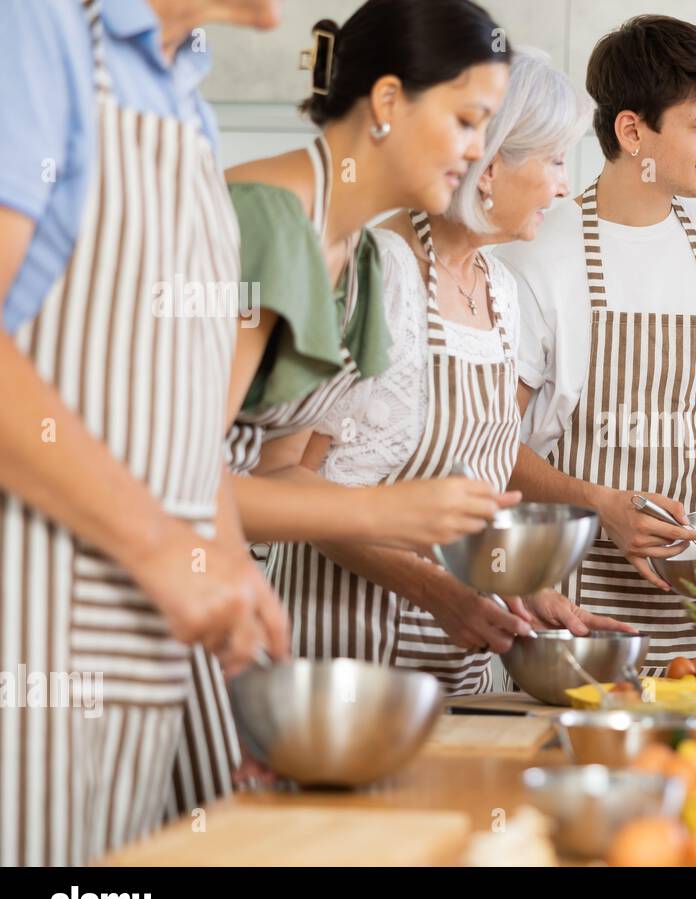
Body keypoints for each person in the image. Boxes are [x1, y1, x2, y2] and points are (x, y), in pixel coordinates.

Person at [172, 0, 516, 814]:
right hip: (119, 582)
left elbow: (282, 475)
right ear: (389, 102)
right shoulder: (266, 222)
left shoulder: (358, 260)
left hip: (207, 598)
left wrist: (438, 540)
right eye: (468, 121)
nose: (477, 153)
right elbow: (178, 478)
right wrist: (388, 509)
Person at [0, 0, 288, 866]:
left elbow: (184, 405)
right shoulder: (34, 26)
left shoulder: (182, 95)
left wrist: (225, 561)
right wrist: (161, 545)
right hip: (28, 618)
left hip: (137, 647)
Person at [279, 49, 633, 696]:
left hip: (456, 671)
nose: (564, 186)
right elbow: (293, 488)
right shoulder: (372, 273)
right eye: (555, 161)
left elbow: (474, 500)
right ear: (492, 166)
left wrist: (526, 590)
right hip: (344, 668)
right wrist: (436, 590)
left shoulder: (499, 290)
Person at [498, 16, 696, 674]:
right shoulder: (539, 253)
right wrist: (602, 505)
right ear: (633, 132)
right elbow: (488, 443)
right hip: (578, 618)